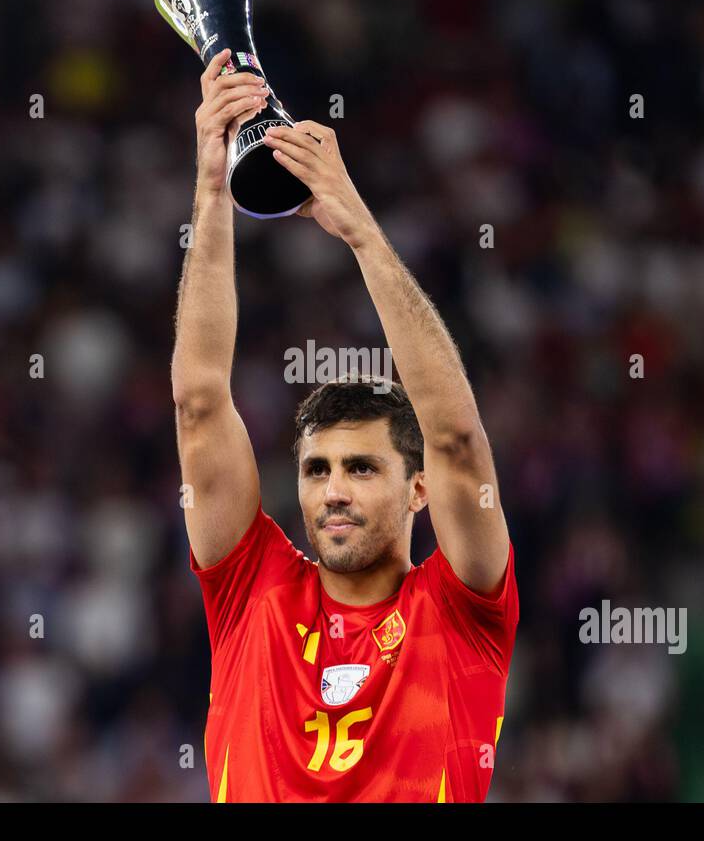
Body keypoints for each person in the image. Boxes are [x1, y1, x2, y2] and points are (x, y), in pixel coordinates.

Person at [172, 48, 518, 801]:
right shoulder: (250, 589)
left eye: (362, 468)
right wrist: (210, 182)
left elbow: (456, 440)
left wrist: (361, 231)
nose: (333, 490)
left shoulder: (462, 612)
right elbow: (199, 402)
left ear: (418, 489)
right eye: (316, 469)